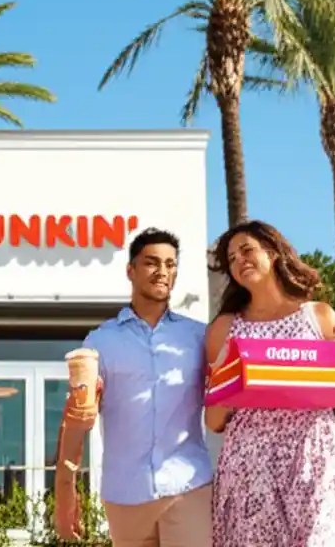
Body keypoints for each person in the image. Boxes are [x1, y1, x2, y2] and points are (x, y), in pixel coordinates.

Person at [205, 220, 335, 547]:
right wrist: (233, 381)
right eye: (231, 259)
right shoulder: (223, 330)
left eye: (246, 250)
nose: (239, 261)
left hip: (316, 453)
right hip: (250, 464)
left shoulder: (321, 316)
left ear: (272, 252)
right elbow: (213, 421)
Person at [53, 227, 213, 547]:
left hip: (189, 488)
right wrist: (65, 490)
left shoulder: (199, 337)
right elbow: (78, 417)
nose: (163, 272)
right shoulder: (100, 341)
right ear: (131, 270)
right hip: (124, 494)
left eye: (170, 264)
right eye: (152, 263)